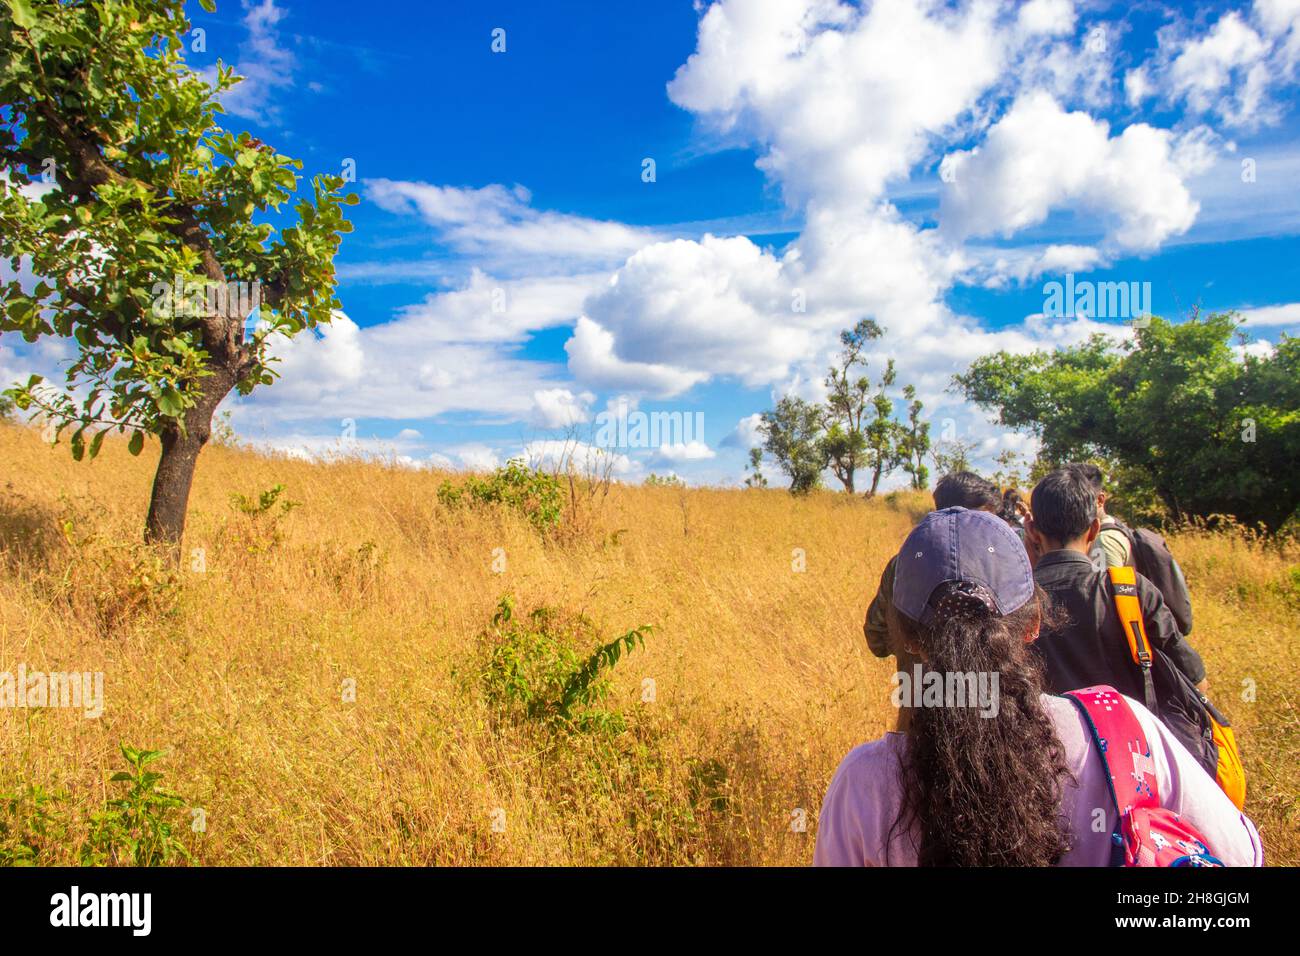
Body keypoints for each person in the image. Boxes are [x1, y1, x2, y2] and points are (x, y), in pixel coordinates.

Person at [814, 507, 1262, 866]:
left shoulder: (864, 782)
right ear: (1033, 625)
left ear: (909, 639)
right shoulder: (1127, 729)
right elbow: (1242, 854)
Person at [1023, 467, 1204, 699]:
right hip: (1130, 734)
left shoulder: (1015, 600)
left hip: (1045, 734)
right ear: (1095, 529)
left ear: (1032, 531)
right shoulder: (1130, 589)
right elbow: (1196, 681)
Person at [862, 471, 1002, 661]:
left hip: (921, 687)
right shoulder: (998, 567)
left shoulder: (902, 564)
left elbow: (877, 639)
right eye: (985, 523)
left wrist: (914, 651)